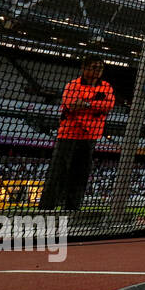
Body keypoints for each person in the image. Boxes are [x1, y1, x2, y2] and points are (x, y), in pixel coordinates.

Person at [40, 54, 115, 212]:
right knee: (57, 173)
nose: (97, 71)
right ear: (84, 68)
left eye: (100, 68)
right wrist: (95, 105)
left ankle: (72, 209)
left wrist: (86, 104)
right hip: (69, 135)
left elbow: (108, 105)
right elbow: (72, 105)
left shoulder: (106, 87)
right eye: (94, 67)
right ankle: (46, 209)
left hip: (90, 137)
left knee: (80, 176)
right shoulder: (72, 85)